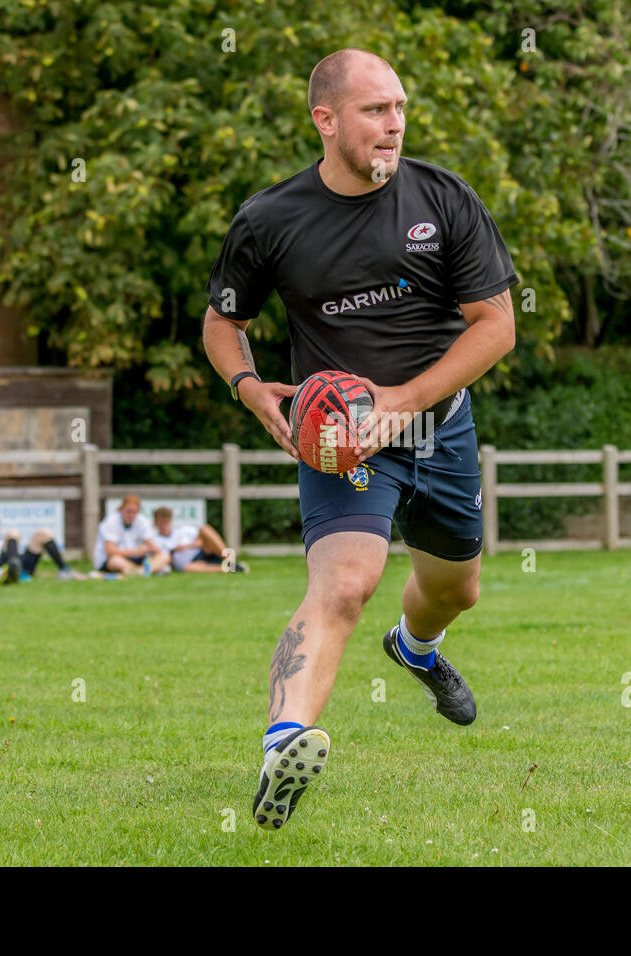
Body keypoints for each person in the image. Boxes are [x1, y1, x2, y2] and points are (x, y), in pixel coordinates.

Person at [202, 49, 517, 830]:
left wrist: (403, 401)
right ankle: (283, 744)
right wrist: (250, 389)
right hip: (342, 441)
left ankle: (415, 647)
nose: (395, 123)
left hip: (440, 427)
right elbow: (222, 323)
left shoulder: (443, 199)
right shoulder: (270, 219)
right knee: (343, 584)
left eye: (400, 107)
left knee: (456, 589)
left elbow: (497, 326)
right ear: (326, 119)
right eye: (376, 110)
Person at [0, 514, 83, 581]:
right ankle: (15, 571)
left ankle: (64, 570)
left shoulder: (3, 542)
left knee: (43, 533)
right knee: (13, 533)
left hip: (16, 560)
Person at [150, 507, 248, 574]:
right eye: (161, 522)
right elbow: (162, 558)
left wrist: (185, 546)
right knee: (185, 568)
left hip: (201, 551)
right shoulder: (154, 540)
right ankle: (230, 568)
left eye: (166, 522)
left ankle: (229, 559)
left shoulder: (183, 530)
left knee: (205, 529)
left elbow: (201, 540)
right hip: (186, 563)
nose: (164, 525)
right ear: (156, 523)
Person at [92, 495, 165, 576]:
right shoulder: (111, 522)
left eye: (134, 512)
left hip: (135, 560)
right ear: (121, 509)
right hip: (111, 560)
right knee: (116, 561)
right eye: (128, 511)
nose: (131, 515)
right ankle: (144, 571)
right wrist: (135, 551)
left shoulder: (141, 520)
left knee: (164, 556)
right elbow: (110, 552)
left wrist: (149, 548)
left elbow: (152, 546)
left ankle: (139, 572)